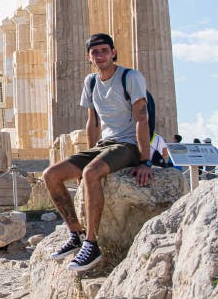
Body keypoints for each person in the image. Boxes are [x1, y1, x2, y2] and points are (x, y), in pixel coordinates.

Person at [43, 33, 153, 272]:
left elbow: (142, 119)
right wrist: (90, 153)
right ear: (88, 57)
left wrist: (145, 161)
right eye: (95, 52)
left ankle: (92, 244)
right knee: (51, 175)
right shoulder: (90, 81)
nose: (100, 55)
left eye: (104, 50)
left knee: (92, 174)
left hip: (128, 145)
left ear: (113, 52)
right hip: (104, 144)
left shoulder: (130, 77)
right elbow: (92, 122)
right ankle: (76, 234)